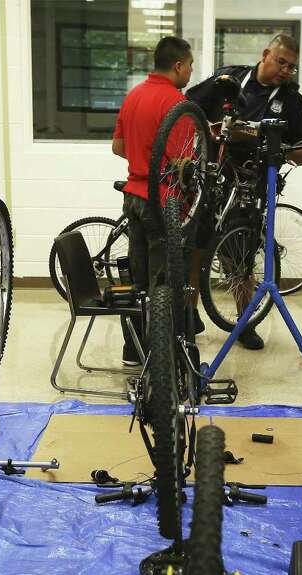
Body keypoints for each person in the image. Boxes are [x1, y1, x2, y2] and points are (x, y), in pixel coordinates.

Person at [183, 33, 302, 351]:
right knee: (195, 246)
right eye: (281, 62)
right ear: (266, 54)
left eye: (292, 67)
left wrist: (275, 148)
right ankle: (189, 315)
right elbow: (189, 105)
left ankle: (244, 323)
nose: (286, 70)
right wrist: (208, 128)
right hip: (210, 176)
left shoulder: (292, 101)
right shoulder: (230, 79)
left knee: (241, 259)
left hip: (248, 186)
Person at [111, 36, 195, 366]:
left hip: (132, 197)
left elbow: (118, 146)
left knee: (137, 280)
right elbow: (182, 162)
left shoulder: (134, 95)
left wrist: (141, 157)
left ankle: (133, 352)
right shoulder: (177, 103)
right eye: (189, 65)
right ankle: (163, 359)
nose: (190, 71)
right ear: (178, 65)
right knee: (165, 284)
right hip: (162, 202)